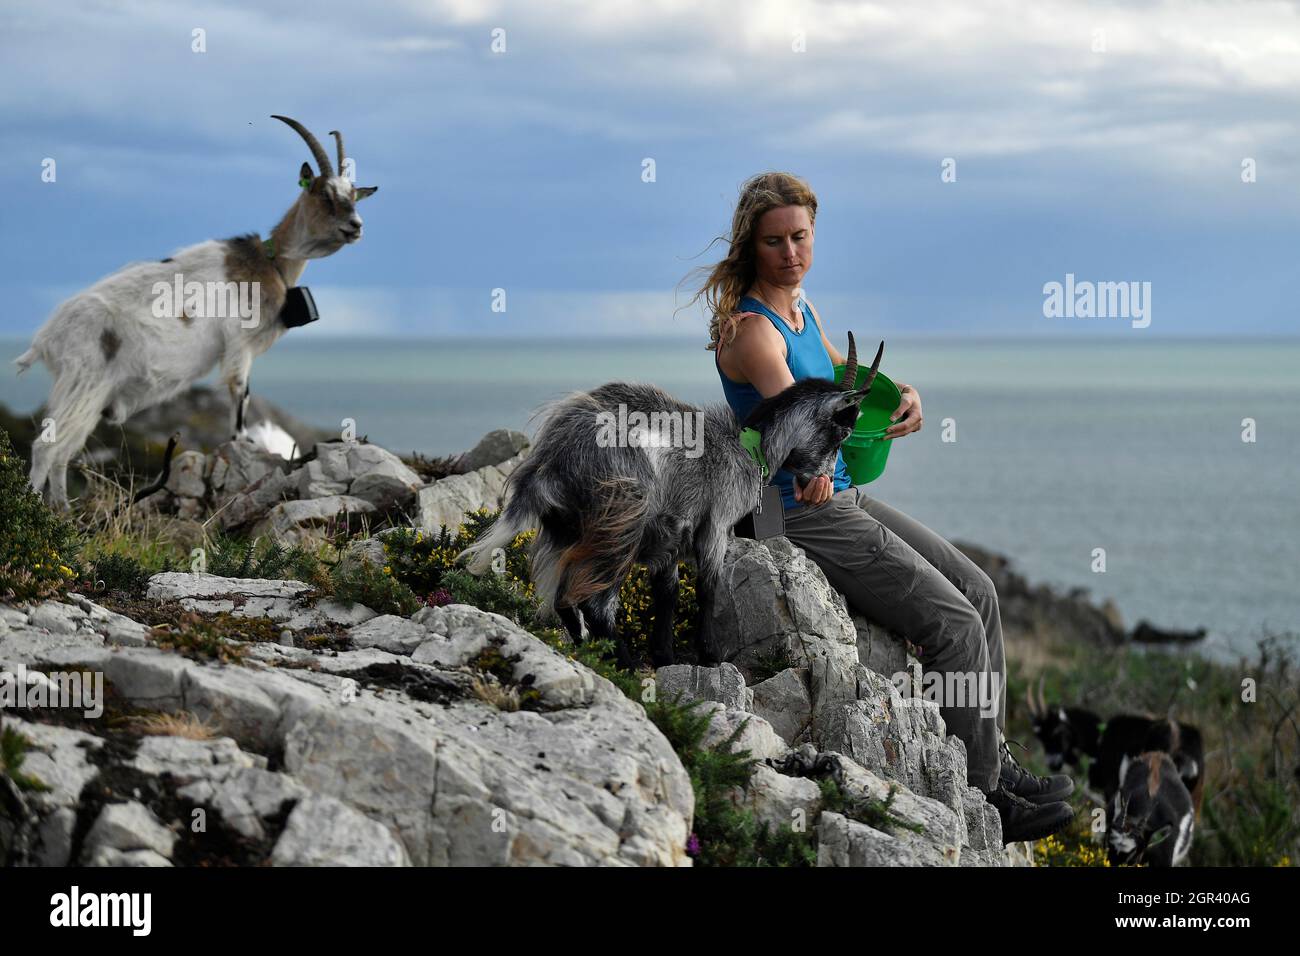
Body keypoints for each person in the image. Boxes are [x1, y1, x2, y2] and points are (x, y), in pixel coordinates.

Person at [685, 171, 1075, 844]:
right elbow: (797, 415)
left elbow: (842, 378)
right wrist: (816, 459)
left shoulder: (802, 312)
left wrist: (904, 394)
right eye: (774, 241)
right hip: (793, 512)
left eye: (800, 236)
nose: (790, 252)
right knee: (954, 626)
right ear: (752, 244)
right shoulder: (754, 332)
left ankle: (995, 761)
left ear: (814, 235)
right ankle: (986, 797)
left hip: (837, 495)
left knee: (980, 592)